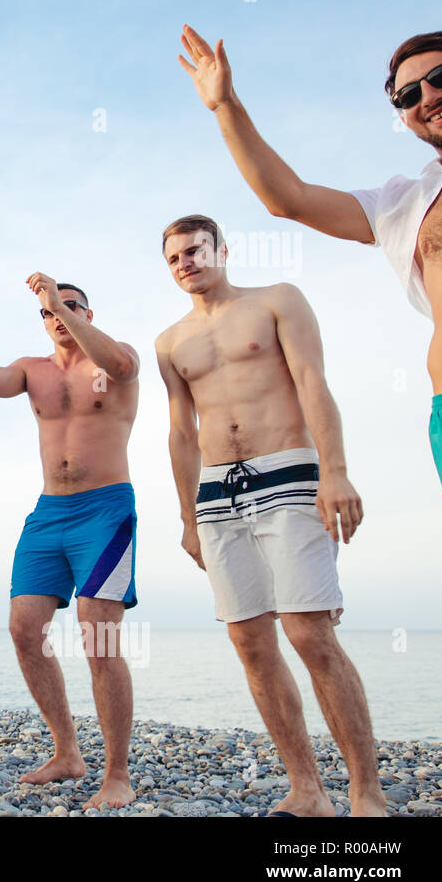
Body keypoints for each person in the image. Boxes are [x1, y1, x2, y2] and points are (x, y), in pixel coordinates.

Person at [155, 215, 385, 817]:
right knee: (250, 642)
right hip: (218, 495)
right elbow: (181, 432)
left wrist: (333, 471)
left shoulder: (277, 300)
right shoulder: (169, 342)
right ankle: (306, 789)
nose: (186, 263)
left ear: (222, 250)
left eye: (196, 250)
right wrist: (186, 515)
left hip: (288, 473)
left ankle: (367, 793)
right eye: (175, 257)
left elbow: (313, 381)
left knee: (309, 631)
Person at [178, 25, 442, 509]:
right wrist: (226, 107)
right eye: (408, 94)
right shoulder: (407, 204)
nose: (427, 96)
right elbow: (289, 198)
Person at [0, 274, 140, 811]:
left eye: (72, 307)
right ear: (42, 322)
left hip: (105, 510)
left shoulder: (115, 361)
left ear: (89, 313)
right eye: (51, 312)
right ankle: (67, 752)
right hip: (48, 513)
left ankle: (117, 773)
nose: (60, 316)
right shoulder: (32, 371)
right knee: (23, 628)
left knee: (98, 636)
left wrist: (56, 301)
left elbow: (123, 366)